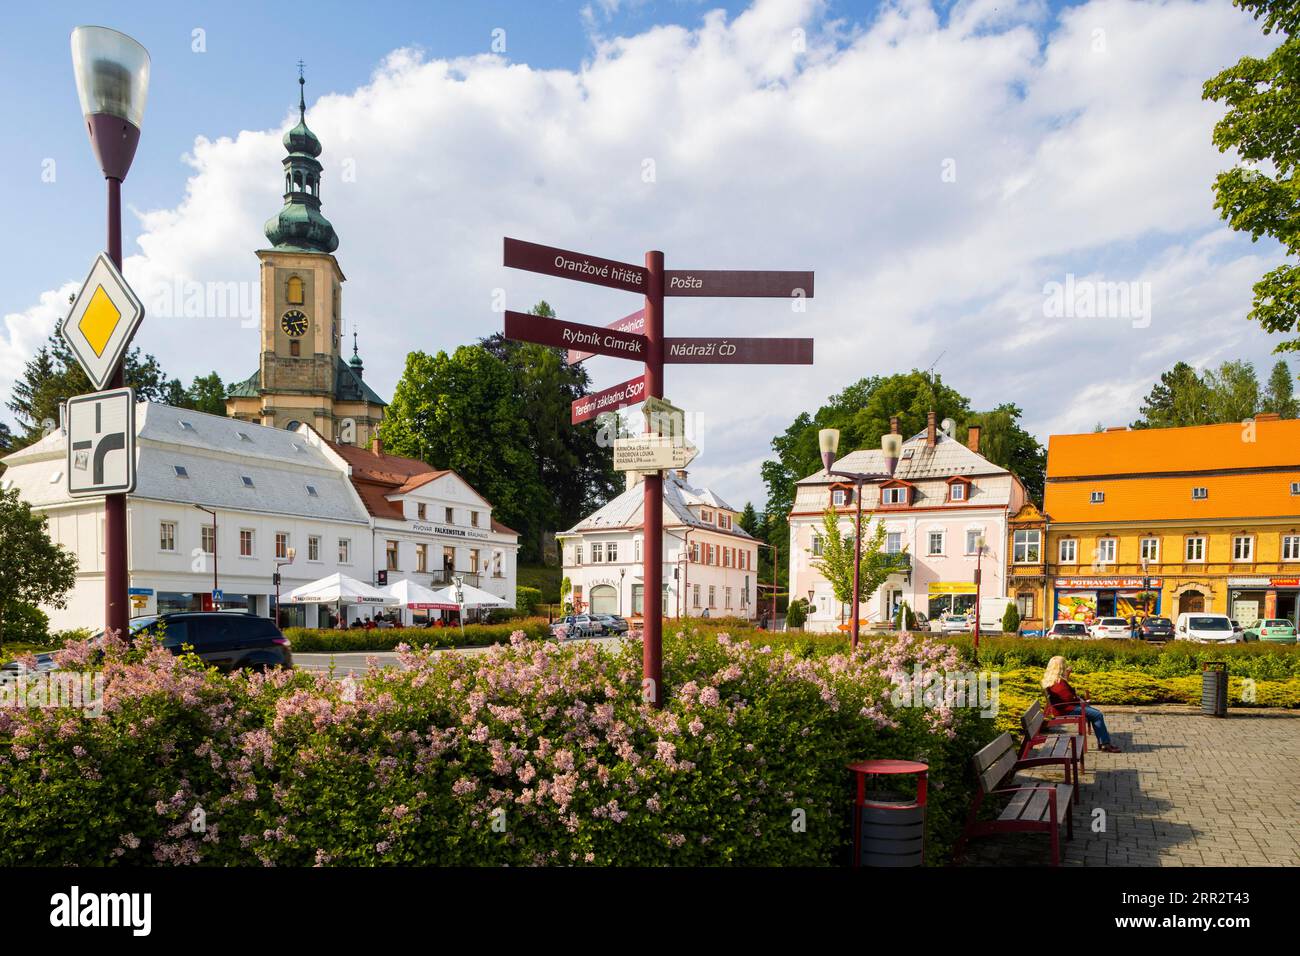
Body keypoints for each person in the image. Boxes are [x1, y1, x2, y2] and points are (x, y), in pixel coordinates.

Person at [1041, 655, 1121, 753]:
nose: (1066, 666)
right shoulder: (1058, 683)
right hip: (1067, 709)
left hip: (1064, 708)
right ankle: (1105, 744)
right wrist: (1081, 701)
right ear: (1060, 667)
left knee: (1095, 714)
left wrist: (1079, 700)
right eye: (1064, 664)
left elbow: (1066, 697)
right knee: (1097, 715)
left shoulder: (1052, 680)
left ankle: (1104, 743)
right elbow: (1068, 699)